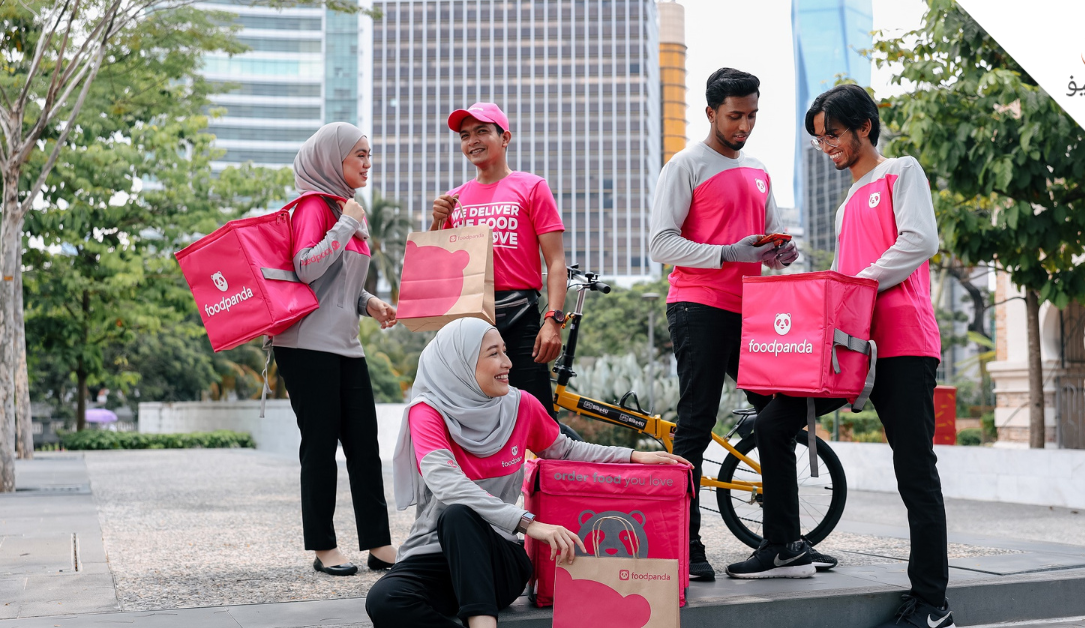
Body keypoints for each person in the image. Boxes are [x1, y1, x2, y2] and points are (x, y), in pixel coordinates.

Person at [734, 84, 952, 628]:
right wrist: (794, 264)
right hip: (849, 352)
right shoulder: (847, 202)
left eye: (832, 134)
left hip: (902, 345)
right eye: (818, 139)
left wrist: (855, 283)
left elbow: (920, 240)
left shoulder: (901, 172)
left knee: (915, 474)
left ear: (865, 127)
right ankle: (784, 545)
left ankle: (932, 605)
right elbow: (843, 280)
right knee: (773, 423)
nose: (826, 145)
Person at [366, 318, 688, 628]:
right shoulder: (428, 412)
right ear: (459, 363)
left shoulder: (521, 405)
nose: (507, 362)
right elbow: (445, 482)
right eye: (494, 353)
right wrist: (529, 523)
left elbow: (567, 450)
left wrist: (633, 456)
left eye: (505, 351)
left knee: (459, 516)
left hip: (499, 562)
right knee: (384, 601)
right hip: (436, 556)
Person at [648, 67, 807, 581]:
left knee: (780, 416)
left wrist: (780, 252)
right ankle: (685, 544)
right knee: (695, 421)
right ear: (712, 111)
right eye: (735, 115)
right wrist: (724, 253)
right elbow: (660, 243)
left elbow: (765, 240)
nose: (744, 125)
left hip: (754, 310)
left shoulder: (759, 169)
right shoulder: (685, 164)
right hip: (698, 306)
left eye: (753, 115)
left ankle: (784, 544)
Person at [272, 122, 399, 576]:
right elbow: (306, 269)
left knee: (365, 444)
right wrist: (346, 222)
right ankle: (324, 548)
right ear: (332, 158)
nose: (367, 162)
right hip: (306, 346)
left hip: (345, 346)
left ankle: (379, 544)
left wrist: (371, 303)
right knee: (321, 446)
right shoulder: (312, 207)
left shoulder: (345, 209)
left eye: (369, 154)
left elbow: (339, 284)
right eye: (359, 154)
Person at [428, 103, 567, 422]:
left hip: (521, 318)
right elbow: (438, 271)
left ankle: (541, 474)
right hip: (469, 324)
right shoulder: (453, 199)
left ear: (505, 138)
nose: (472, 141)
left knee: (535, 419)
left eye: (481, 131)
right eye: (465, 135)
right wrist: (436, 223)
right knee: (473, 420)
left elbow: (556, 262)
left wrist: (553, 321)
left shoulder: (531, 187)